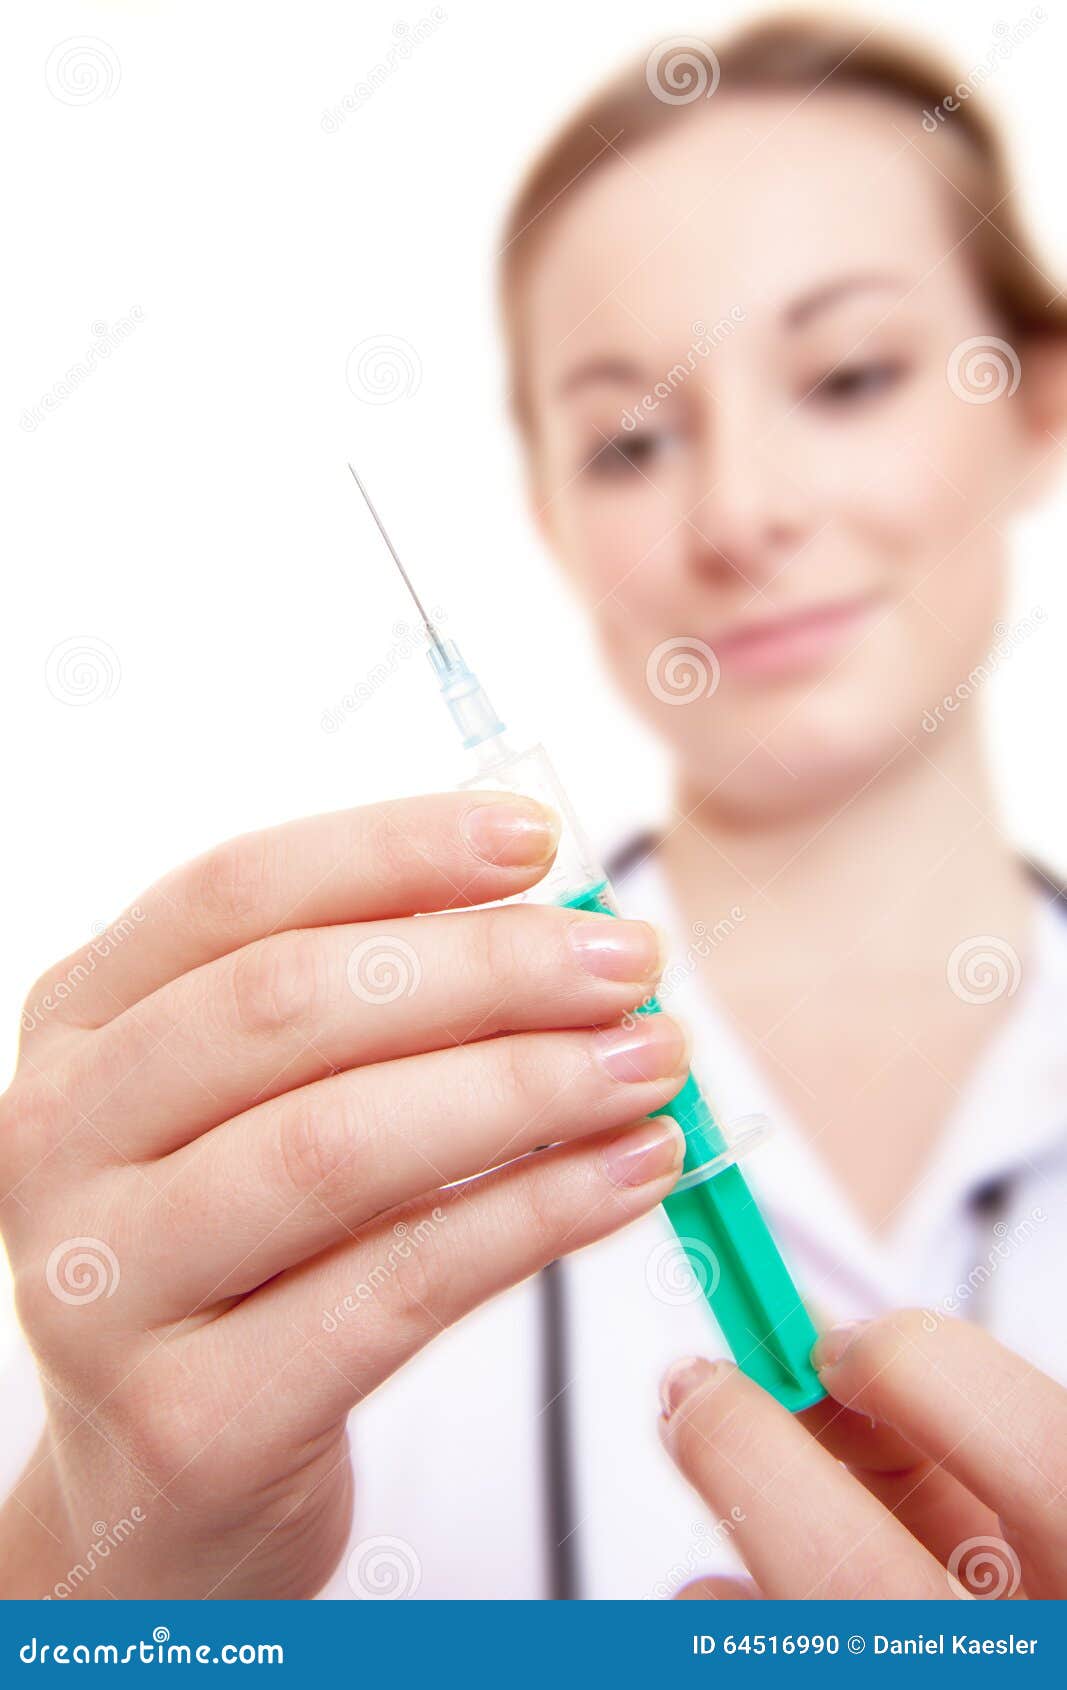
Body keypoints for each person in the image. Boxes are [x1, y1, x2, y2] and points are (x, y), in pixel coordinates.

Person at [2, 13, 1066, 1601]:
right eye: (629, 438)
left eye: (849, 374)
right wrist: (111, 1572)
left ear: (1037, 399)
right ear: (553, 516)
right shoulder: (351, 1138)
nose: (741, 512)